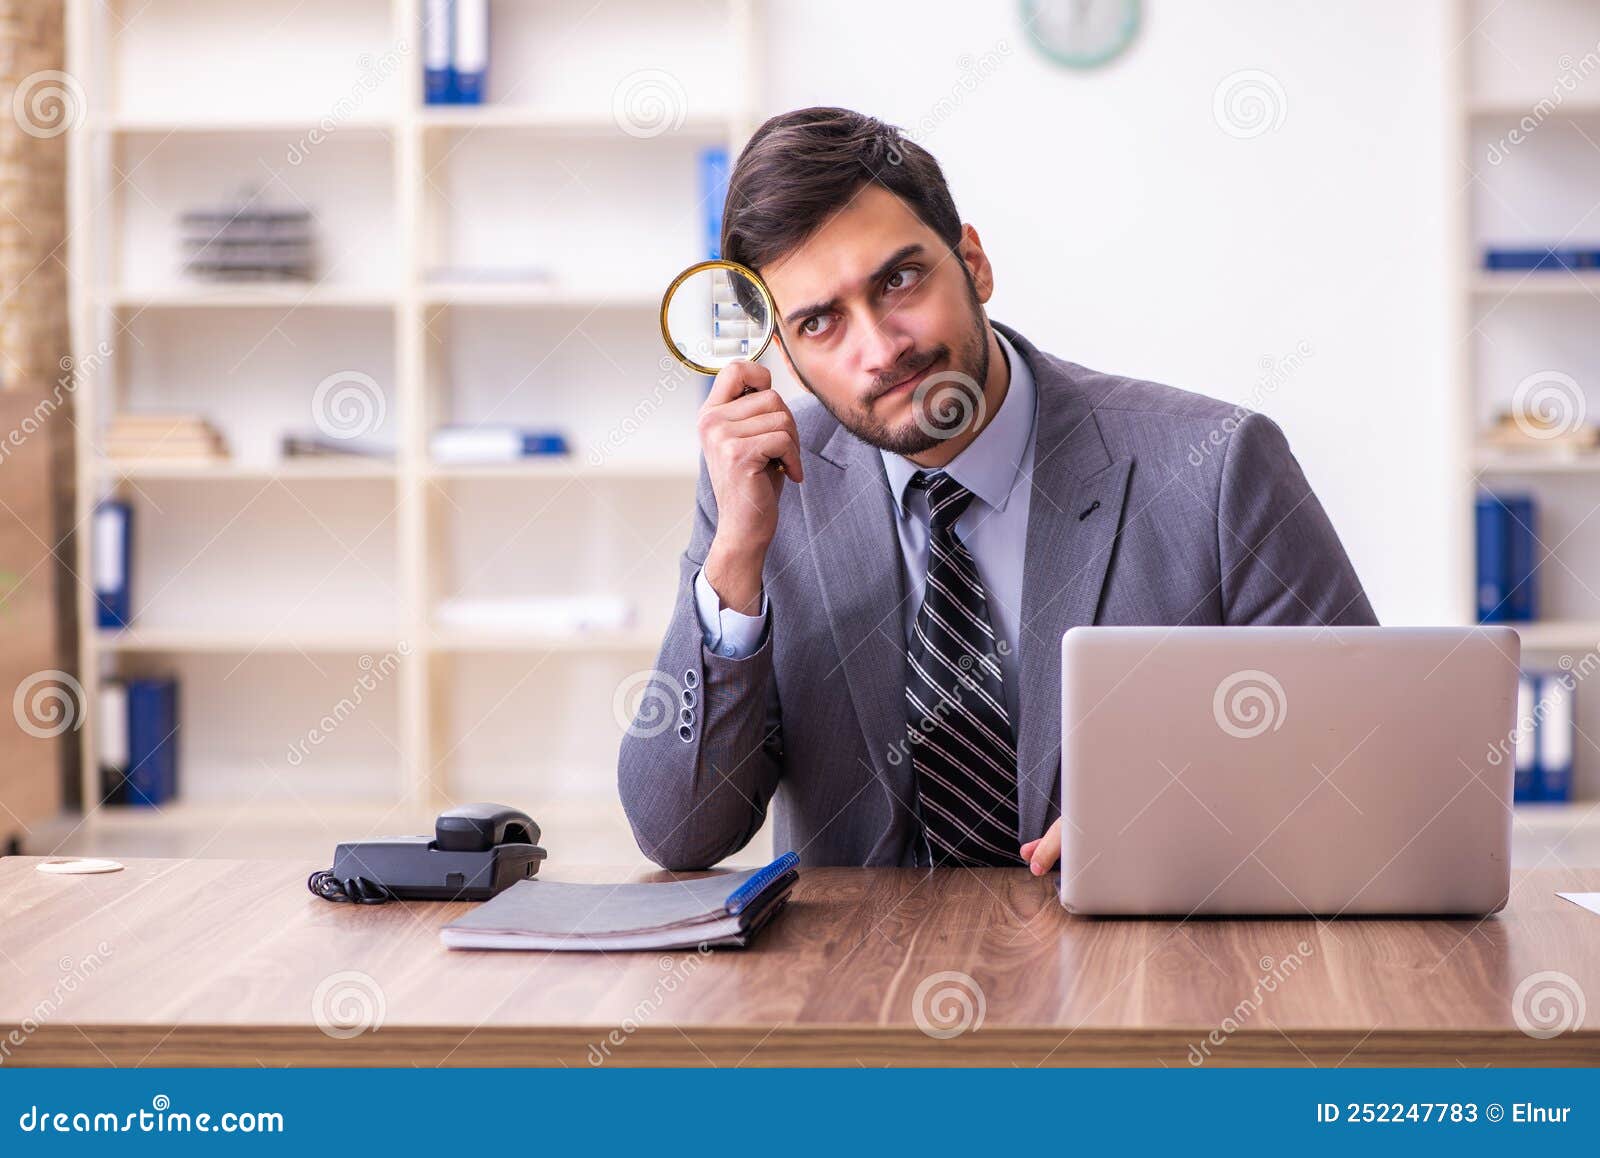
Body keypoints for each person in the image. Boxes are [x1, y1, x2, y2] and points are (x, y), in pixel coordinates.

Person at [618, 106, 1376, 873]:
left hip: (1139, 975)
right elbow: (679, 834)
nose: (881, 349)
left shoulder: (1218, 468)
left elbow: (1366, 770)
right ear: (779, 350)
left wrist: (1183, 829)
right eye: (820, 323)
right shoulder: (760, 499)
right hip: (855, 983)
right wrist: (738, 554)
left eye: (900, 279)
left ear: (974, 262)